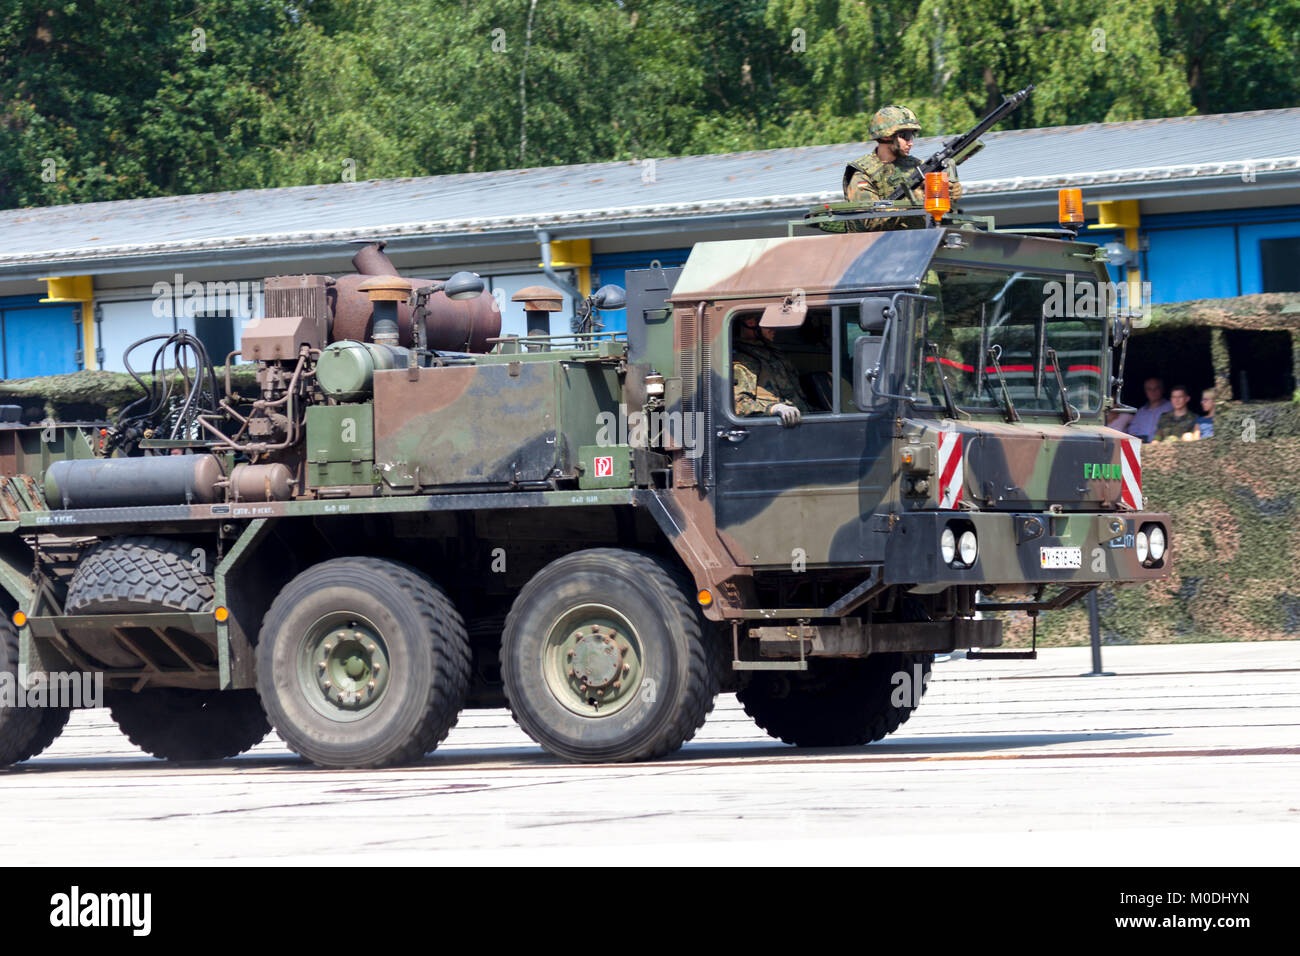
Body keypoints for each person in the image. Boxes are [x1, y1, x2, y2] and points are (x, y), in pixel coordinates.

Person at [841, 106, 963, 231]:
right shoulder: (862, 173)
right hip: (880, 246)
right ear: (886, 136)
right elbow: (869, 220)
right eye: (905, 136)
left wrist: (949, 194)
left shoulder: (919, 167)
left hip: (923, 241)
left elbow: (943, 216)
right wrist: (912, 200)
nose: (910, 142)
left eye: (912, 135)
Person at [732, 313, 811, 427]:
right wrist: (773, 409)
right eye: (769, 323)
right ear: (751, 322)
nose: (774, 329)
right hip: (774, 428)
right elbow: (739, 404)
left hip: (798, 423)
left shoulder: (771, 353)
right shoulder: (742, 360)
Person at [1124, 377, 1173, 442]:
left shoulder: (1170, 406)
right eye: (1149, 389)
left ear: (1162, 389)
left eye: (1156, 388)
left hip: (1162, 446)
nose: (1153, 391)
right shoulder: (1141, 411)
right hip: (1141, 446)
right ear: (1145, 391)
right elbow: (1132, 431)